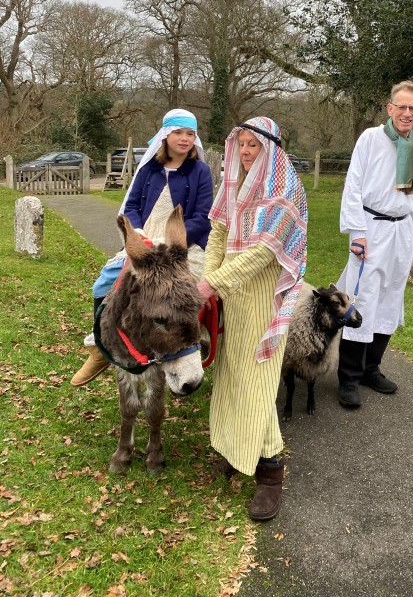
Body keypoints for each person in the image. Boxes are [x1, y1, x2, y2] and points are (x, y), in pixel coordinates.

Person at [196, 118, 307, 521]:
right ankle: (233, 450)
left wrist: (212, 284)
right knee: (230, 375)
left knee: (257, 381)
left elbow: (263, 253)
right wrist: (211, 279)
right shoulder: (235, 186)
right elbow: (218, 234)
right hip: (232, 294)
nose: (244, 152)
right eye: (240, 144)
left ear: (270, 149)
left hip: (262, 296)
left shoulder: (286, 190)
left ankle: (270, 473)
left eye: (252, 146)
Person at [70, 108, 214, 386]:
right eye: (178, 132)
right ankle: (100, 346)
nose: (184, 139)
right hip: (145, 245)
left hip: (182, 247)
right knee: (104, 284)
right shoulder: (148, 169)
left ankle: (196, 343)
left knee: (191, 292)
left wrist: (174, 243)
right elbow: (132, 206)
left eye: (190, 134)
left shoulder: (200, 172)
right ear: (165, 135)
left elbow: (202, 215)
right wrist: (138, 233)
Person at [336, 81, 413, 409]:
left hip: (401, 230)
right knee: (362, 299)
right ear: (390, 109)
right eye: (401, 107)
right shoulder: (371, 139)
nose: (407, 113)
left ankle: (370, 369)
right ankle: (348, 376)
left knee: (391, 298)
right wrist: (357, 233)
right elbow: (353, 187)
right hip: (371, 228)